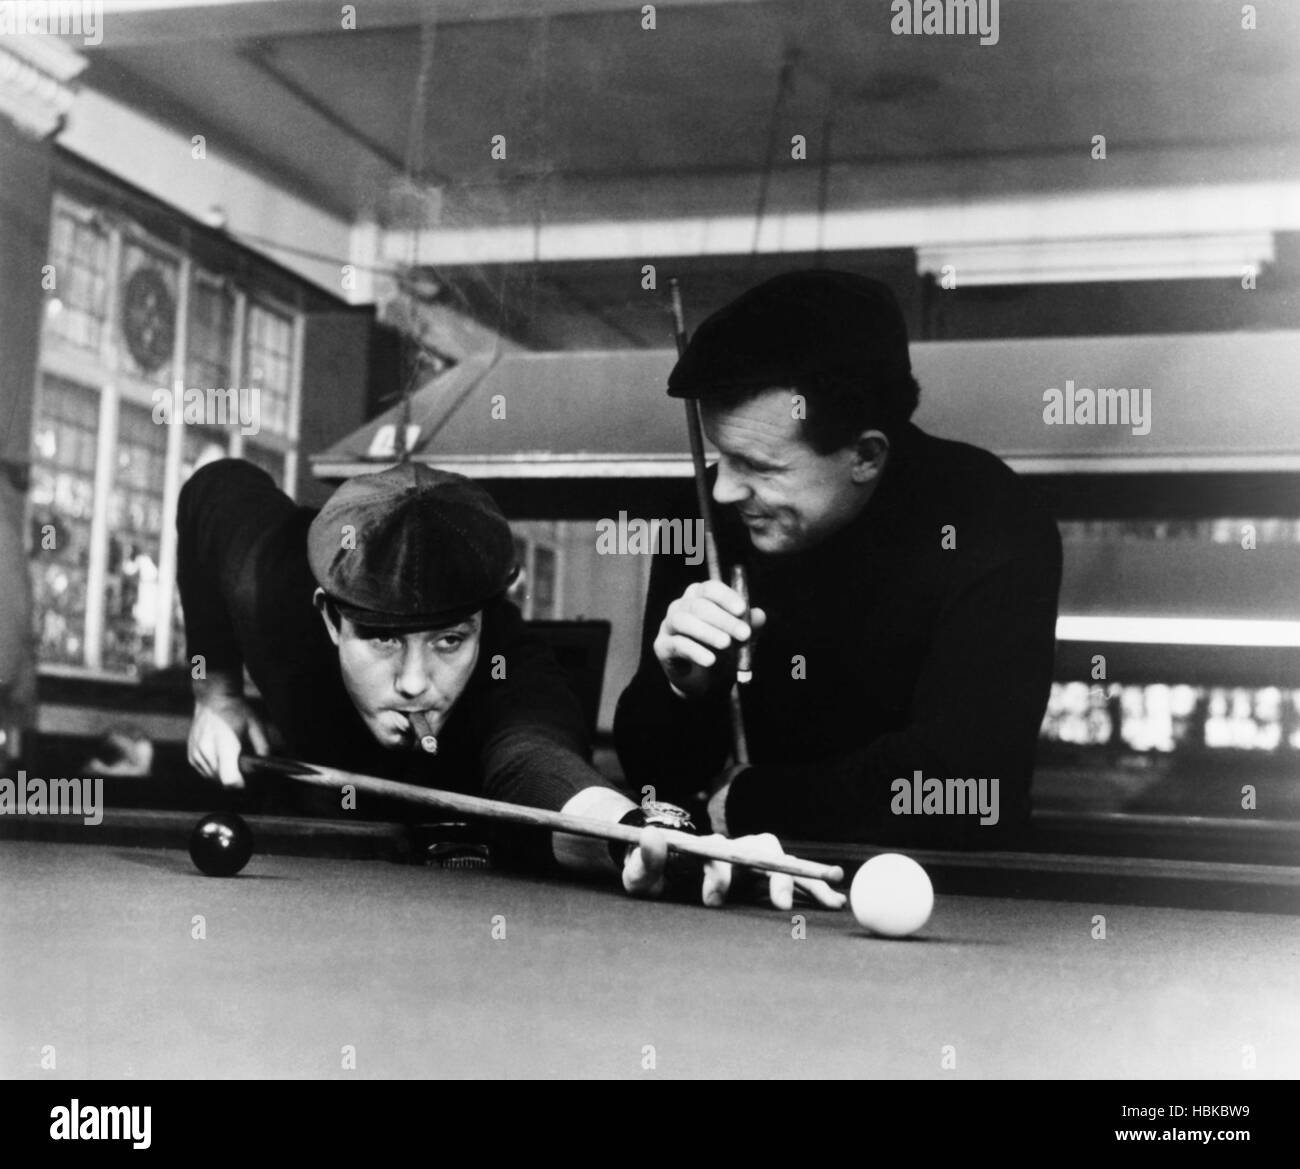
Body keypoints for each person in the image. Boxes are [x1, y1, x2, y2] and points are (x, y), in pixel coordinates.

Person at [177, 457, 840, 909]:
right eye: (381, 639)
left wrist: (646, 837)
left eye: (448, 640)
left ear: (482, 622)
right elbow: (211, 488)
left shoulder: (515, 674)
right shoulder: (271, 581)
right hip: (312, 861)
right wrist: (218, 695)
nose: (414, 683)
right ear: (329, 617)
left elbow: (542, 767)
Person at [615, 270, 1062, 847]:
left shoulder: (993, 519)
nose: (724, 490)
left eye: (759, 466)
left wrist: (755, 804)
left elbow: (972, 783)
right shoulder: (700, 513)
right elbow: (657, 782)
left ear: (866, 456)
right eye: (721, 456)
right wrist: (680, 690)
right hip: (743, 886)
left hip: (957, 893)